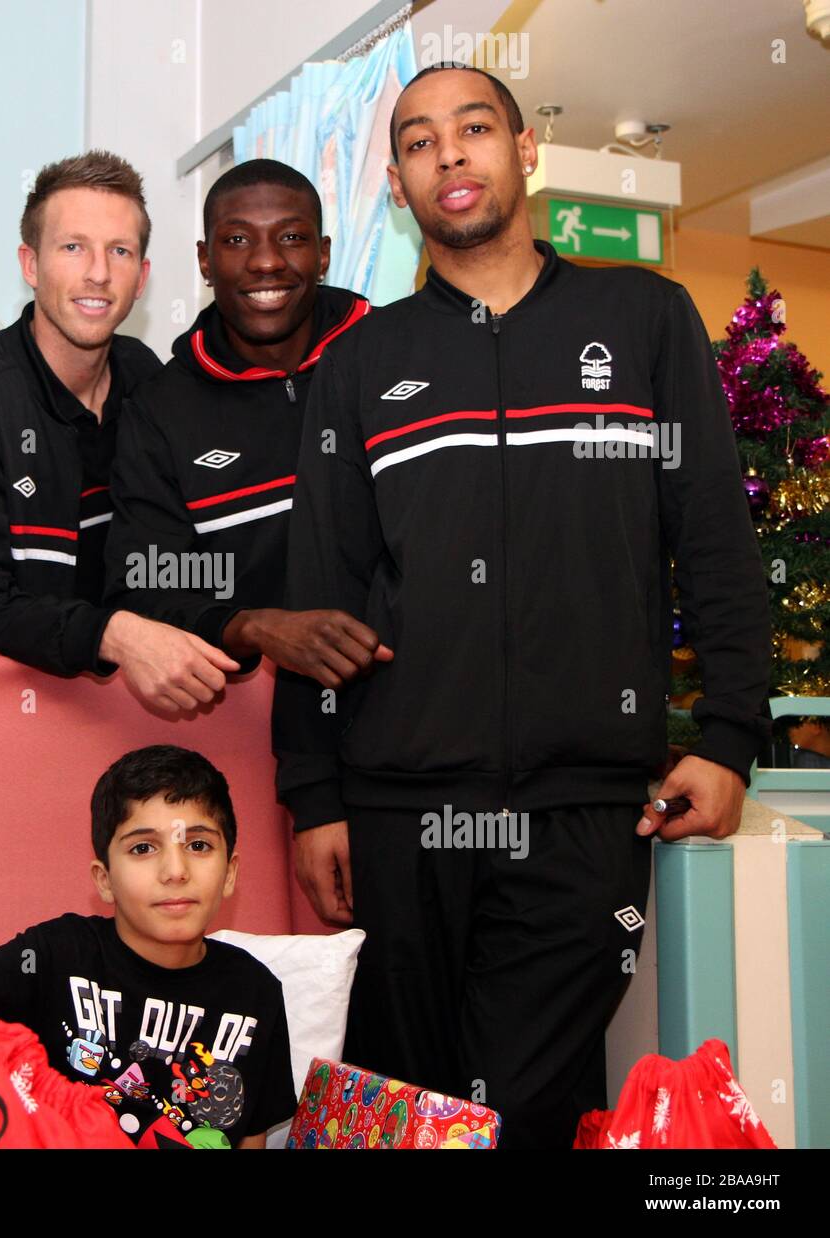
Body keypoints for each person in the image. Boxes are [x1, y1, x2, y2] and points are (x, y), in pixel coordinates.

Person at [273, 64, 771, 1148]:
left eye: (472, 128)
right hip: (399, 815)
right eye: (417, 142)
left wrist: (731, 732)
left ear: (525, 148)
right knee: (408, 1114)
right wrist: (314, 793)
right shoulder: (358, 365)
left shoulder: (643, 318)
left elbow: (716, 543)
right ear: (399, 182)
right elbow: (318, 592)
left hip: (581, 817)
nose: (448, 154)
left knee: (525, 1108)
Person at [0, 745, 297, 1148]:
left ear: (230, 872)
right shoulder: (57, 955)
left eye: (198, 845)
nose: (175, 870)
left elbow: (248, 1137)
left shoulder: (256, 991)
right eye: (143, 847)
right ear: (104, 879)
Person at [0, 151, 241, 714]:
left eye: (120, 251)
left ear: (143, 277)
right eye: (73, 247)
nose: (99, 273)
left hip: (123, 716)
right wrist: (116, 635)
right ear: (30, 264)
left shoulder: (151, 382)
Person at [104, 159, 392, 687]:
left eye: (291, 237)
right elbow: (146, 578)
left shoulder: (393, 358)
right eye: (236, 240)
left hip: (429, 702)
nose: (265, 262)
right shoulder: (160, 411)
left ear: (323, 254)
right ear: (205, 261)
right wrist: (252, 625)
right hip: (271, 726)